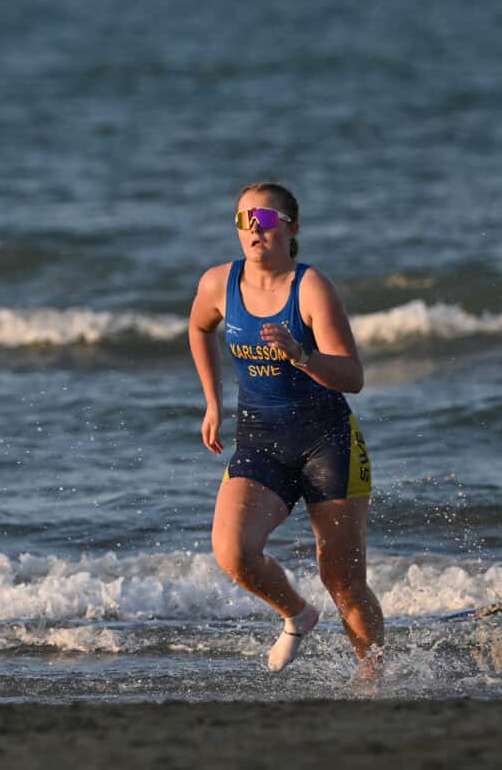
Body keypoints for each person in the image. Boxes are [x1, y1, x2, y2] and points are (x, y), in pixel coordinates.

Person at [188, 181, 384, 675]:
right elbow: (198, 327)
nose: (255, 230)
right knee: (233, 550)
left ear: (291, 228)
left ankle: (373, 679)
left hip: (327, 442)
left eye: (268, 220)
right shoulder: (218, 284)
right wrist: (212, 403)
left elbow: (352, 377)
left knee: (343, 580)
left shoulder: (311, 287)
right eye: (244, 220)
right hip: (260, 440)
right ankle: (297, 614)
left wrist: (301, 355)